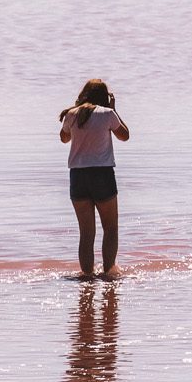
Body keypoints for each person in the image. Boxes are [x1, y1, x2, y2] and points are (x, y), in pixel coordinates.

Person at [60, 78, 131, 279]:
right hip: (102, 174)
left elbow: (64, 138)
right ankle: (109, 274)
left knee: (86, 233)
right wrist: (114, 110)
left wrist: (77, 116)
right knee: (110, 228)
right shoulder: (108, 114)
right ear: (104, 98)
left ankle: (87, 276)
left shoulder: (72, 115)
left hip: (78, 176)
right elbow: (124, 136)